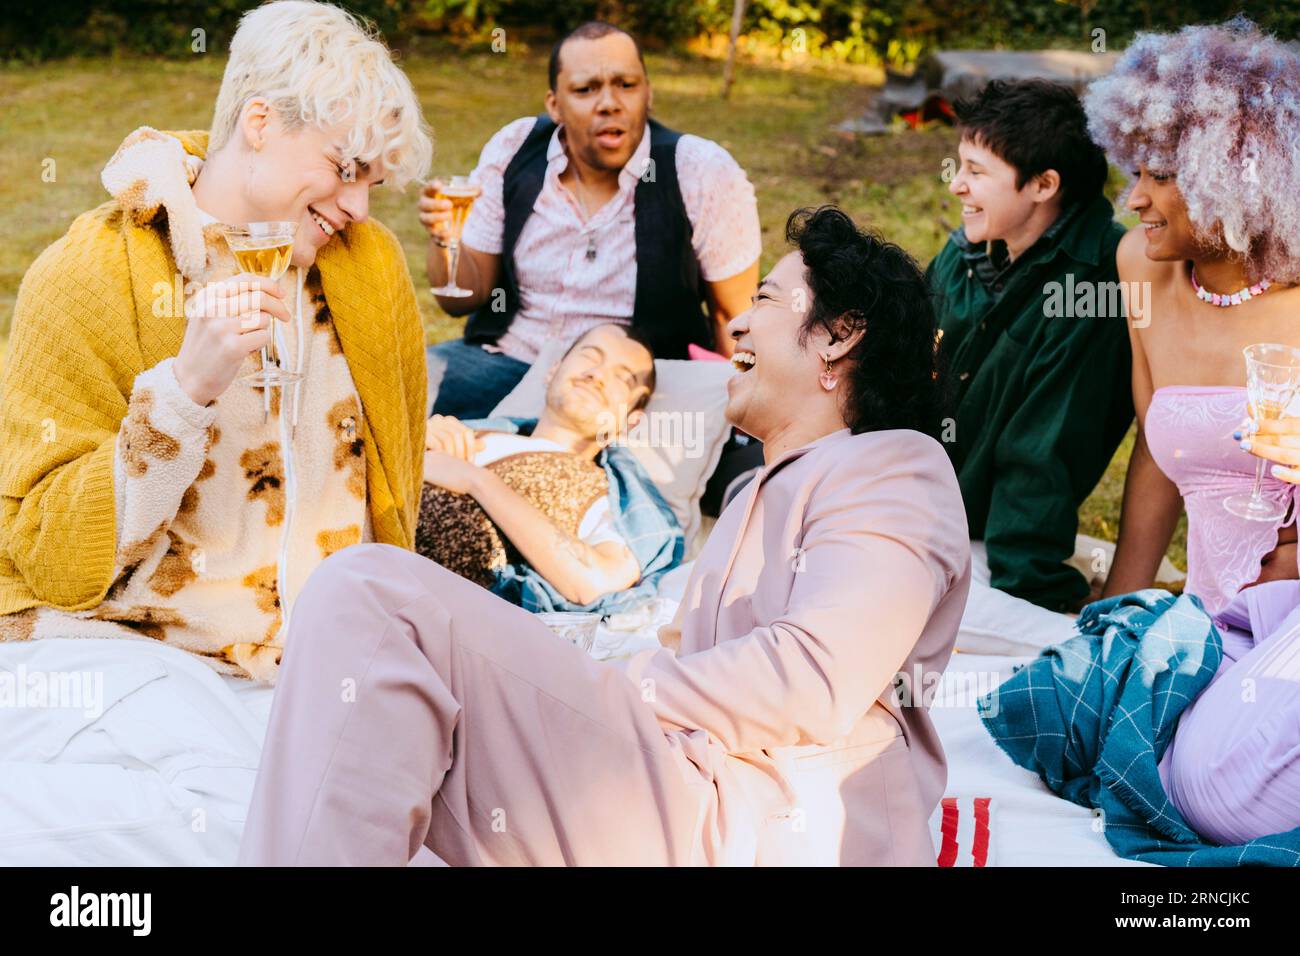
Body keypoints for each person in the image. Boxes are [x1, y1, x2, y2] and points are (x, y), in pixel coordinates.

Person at [236, 206, 970, 866]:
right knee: (391, 709)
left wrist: (621, 685)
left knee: (375, 594)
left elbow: (813, 678)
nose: (738, 325)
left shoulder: (897, 467)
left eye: (767, 302)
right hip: (681, 790)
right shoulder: (754, 493)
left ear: (839, 336)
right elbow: (696, 672)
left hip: (760, 820)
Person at [0, 1, 430, 863]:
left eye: (372, 182)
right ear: (261, 123)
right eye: (343, 169)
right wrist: (182, 397)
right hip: (121, 647)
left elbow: (396, 501)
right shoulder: (86, 277)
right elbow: (48, 551)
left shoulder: (370, 271)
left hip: (298, 674)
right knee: (250, 824)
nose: (356, 205)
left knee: (393, 825)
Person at [1020, 17, 1300, 849]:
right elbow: (1157, 443)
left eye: (1165, 176)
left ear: (1243, 178)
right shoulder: (1140, 267)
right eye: (1133, 169)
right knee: (1051, 711)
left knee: (1216, 794)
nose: (1133, 198)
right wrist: (1123, 601)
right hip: (1214, 622)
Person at [418, 19, 761, 420]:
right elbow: (462, 299)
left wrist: (738, 421)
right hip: (506, 360)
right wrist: (446, 238)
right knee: (388, 395)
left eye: (626, 85)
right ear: (554, 104)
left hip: (628, 388)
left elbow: (733, 319)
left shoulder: (700, 171)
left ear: (648, 94)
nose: (609, 103)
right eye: (585, 89)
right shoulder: (517, 148)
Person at [926, 79, 1133, 617]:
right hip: (908, 501)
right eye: (960, 166)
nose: (957, 186)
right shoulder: (965, 254)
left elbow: (1046, 451)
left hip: (989, 547)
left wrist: (1031, 595)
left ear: (1043, 185)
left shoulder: (1093, 289)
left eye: (977, 172)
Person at [416, 322, 682, 613]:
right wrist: (413, 447)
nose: (596, 375)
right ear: (552, 371)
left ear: (630, 421)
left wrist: (476, 481)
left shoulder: (606, 497)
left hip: (429, 600)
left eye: (622, 377)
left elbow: (593, 583)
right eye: (590, 357)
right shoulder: (465, 433)